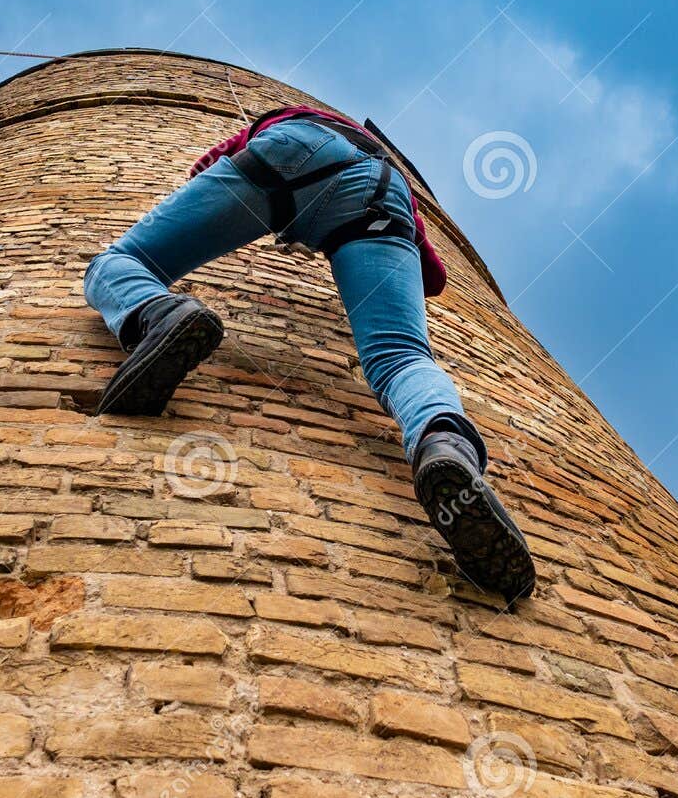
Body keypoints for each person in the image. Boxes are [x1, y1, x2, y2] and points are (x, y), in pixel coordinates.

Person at [83, 105, 536, 601]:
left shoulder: (287, 116)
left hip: (293, 149)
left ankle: (159, 312)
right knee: (402, 357)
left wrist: (260, 201)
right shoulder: (396, 173)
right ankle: (444, 446)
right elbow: (435, 277)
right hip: (386, 199)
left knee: (122, 260)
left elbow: (210, 165)